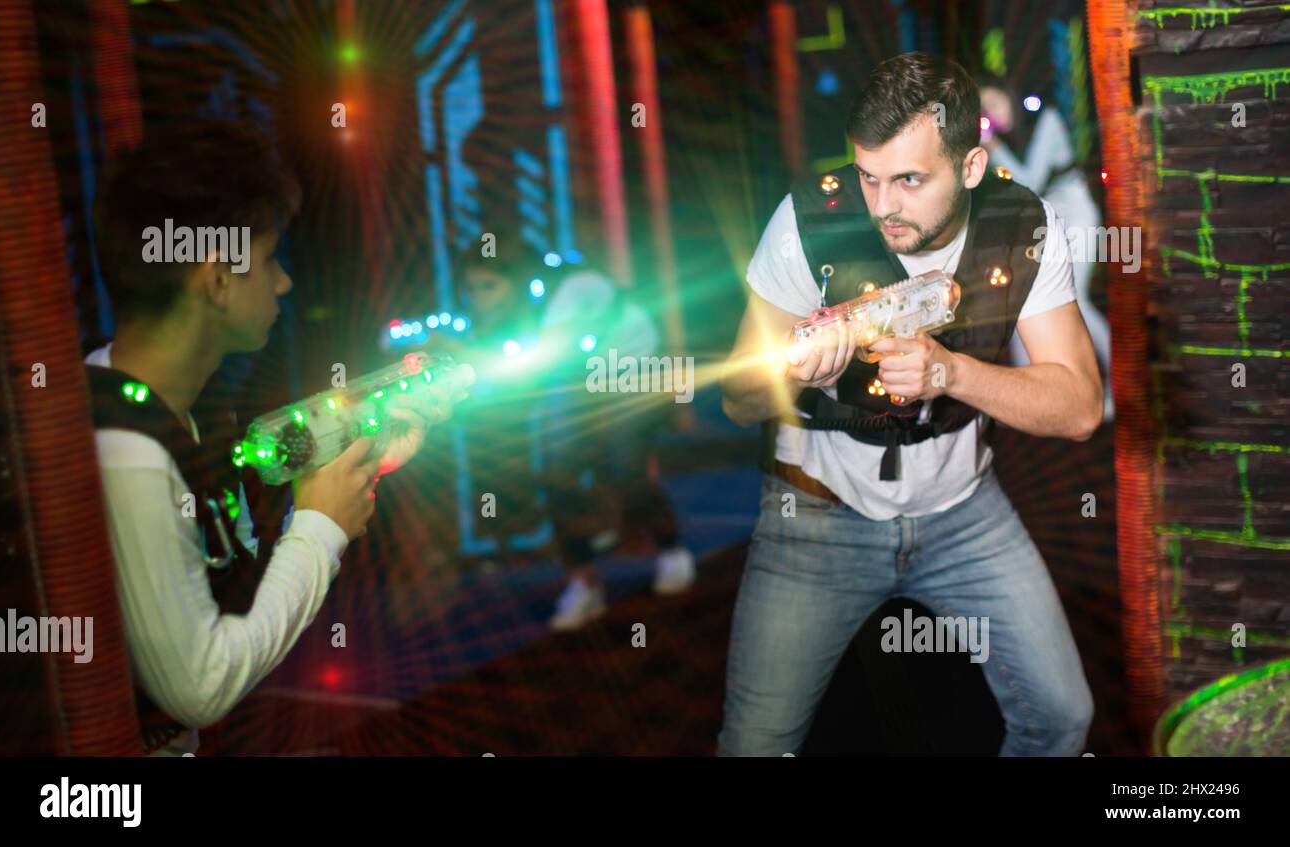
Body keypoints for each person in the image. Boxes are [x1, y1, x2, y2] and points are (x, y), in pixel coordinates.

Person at [719, 52, 1100, 756]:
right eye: (869, 176)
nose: (882, 205)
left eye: (909, 180)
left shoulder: (1022, 223)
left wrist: (950, 372)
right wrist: (795, 365)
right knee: (755, 745)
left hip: (964, 511)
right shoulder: (810, 218)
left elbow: (1079, 405)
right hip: (817, 514)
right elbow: (738, 398)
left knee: (1061, 717)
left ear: (973, 168)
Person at [87, 121, 448, 755]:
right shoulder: (128, 455)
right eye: (268, 259)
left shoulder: (176, 409)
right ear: (217, 280)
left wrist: (352, 464)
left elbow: (234, 587)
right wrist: (319, 526)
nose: (282, 282)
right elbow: (198, 686)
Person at [451, 246, 695, 631]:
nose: (477, 299)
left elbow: (537, 364)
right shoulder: (513, 312)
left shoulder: (572, 290)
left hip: (634, 373)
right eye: (471, 288)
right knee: (555, 472)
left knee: (625, 470)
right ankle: (584, 582)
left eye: (488, 287)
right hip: (579, 379)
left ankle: (670, 549)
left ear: (516, 281)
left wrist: (463, 356)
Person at [979, 81, 1113, 420]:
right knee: (1025, 299)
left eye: (995, 101)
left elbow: (1029, 179)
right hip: (1048, 222)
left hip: (1076, 213)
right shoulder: (1003, 139)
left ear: (1009, 93)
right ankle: (1031, 394)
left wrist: (994, 147)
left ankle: (1122, 381)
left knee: (1076, 298)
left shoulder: (1046, 119)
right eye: (985, 109)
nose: (992, 113)